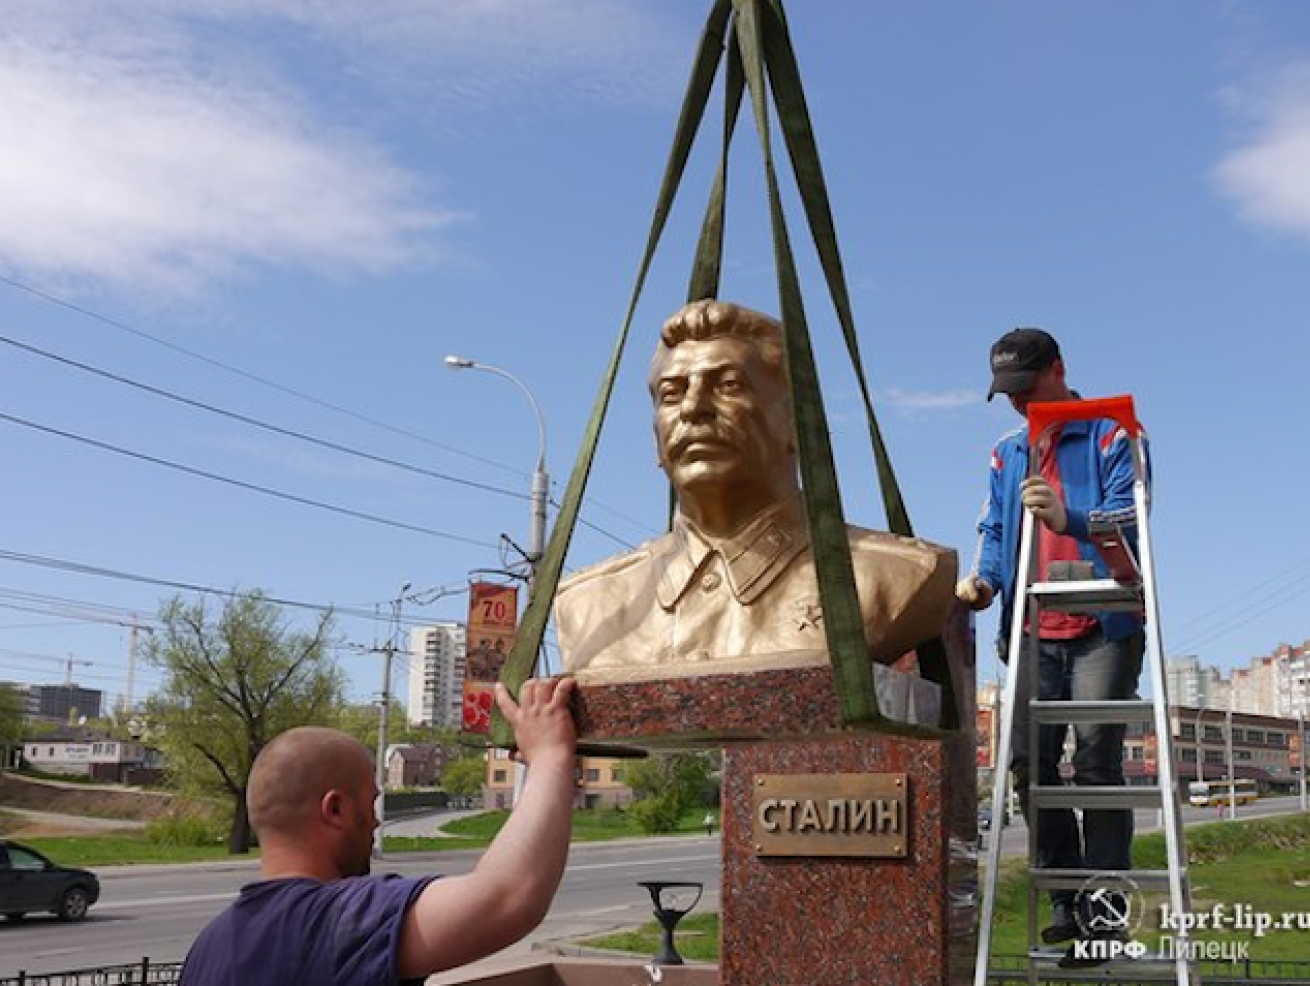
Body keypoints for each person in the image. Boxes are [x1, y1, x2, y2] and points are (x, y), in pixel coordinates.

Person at [555, 299, 955, 682]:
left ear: (796, 422)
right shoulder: (587, 603)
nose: (693, 408)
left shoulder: (893, 575)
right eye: (671, 393)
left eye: (728, 385)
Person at [179, 678, 578, 986]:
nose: (376, 823)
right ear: (335, 809)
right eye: (370, 805)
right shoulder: (336, 921)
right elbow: (508, 898)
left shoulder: (208, 948)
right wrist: (549, 755)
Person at [955, 327, 1147, 967]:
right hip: (1034, 628)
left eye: (1026, 386)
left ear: (1059, 370)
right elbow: (994, 527)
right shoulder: (1007, 454)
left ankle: (1105, 914)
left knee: (1095, 764)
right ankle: (1066, 897)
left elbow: (1133, 515)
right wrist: (985, 580)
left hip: (1103, 626)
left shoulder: (1112, 434)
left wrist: (1072, 519)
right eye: (1007, 391)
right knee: (1029, 766)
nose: (1017, 401)